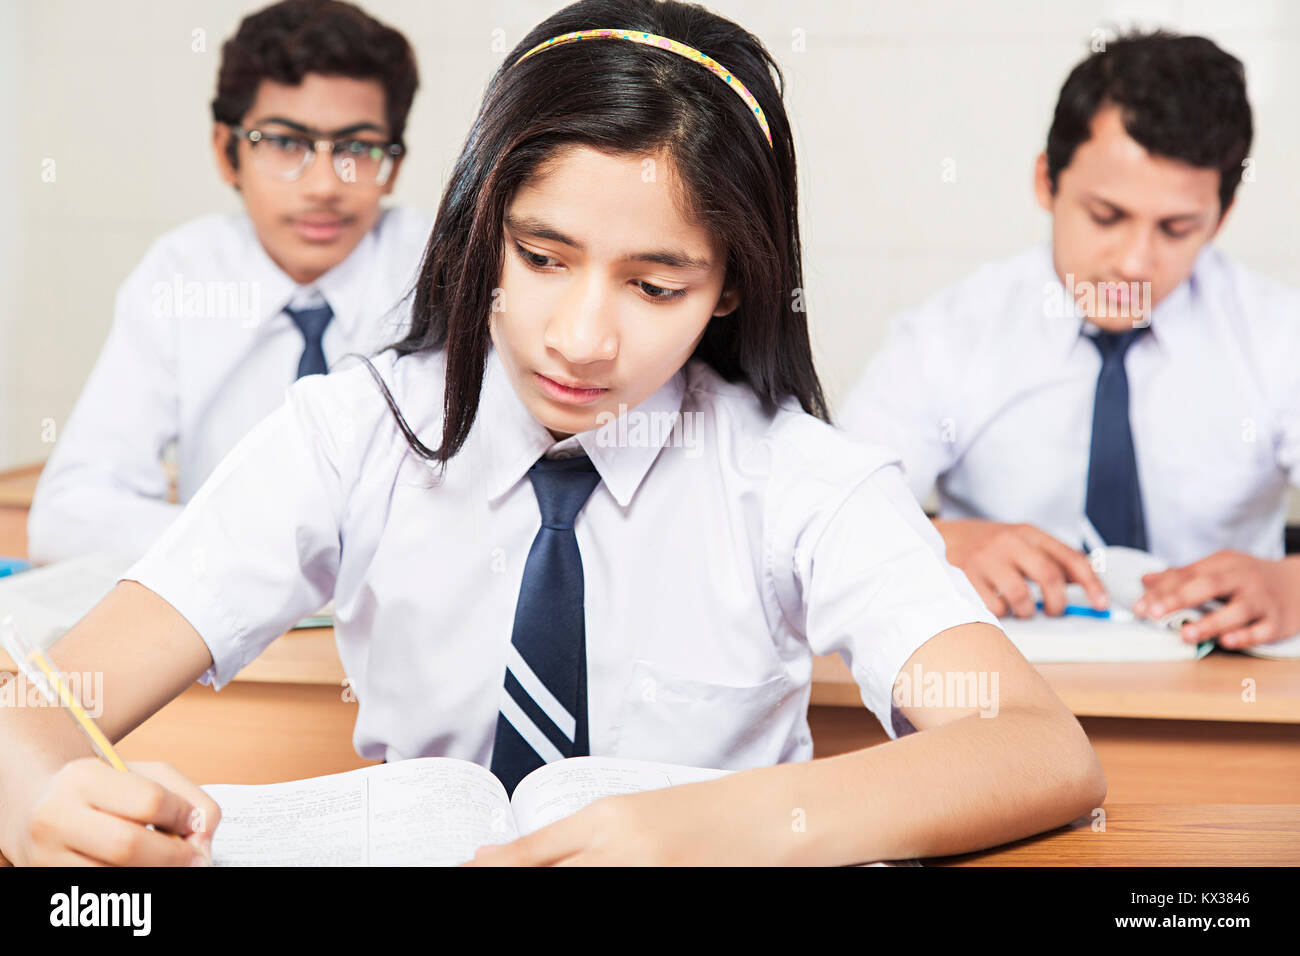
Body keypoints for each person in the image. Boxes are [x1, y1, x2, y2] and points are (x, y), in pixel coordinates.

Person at [0, 0, 1103, 868]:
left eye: (656, 283)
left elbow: (1036, 745)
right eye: (540, 258)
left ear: (729, 288)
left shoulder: (798, 478)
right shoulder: (352, 433)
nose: (579, 338)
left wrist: (720, 828)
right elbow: (39, 709)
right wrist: (47, 797)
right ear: (482, 226)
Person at [839, 30, 1300, 650]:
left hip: (1219, 699)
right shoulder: (948, 335)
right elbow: (825, 516)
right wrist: (938, 541)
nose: (1135, 263)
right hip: (999, 693)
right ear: (1046, 183)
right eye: (1106, 217)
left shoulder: (1276, 335)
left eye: (1177, 228)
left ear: (1222, 215)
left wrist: (1293, 587)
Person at [26, 0, 432, 564]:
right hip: (224, 626)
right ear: (227, 152)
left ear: (395, 165)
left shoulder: (441, 270)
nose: (322, 185)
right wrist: (257, 545)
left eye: (355, 149)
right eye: (286, 143)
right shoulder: (183, 273)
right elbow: (67, 518)